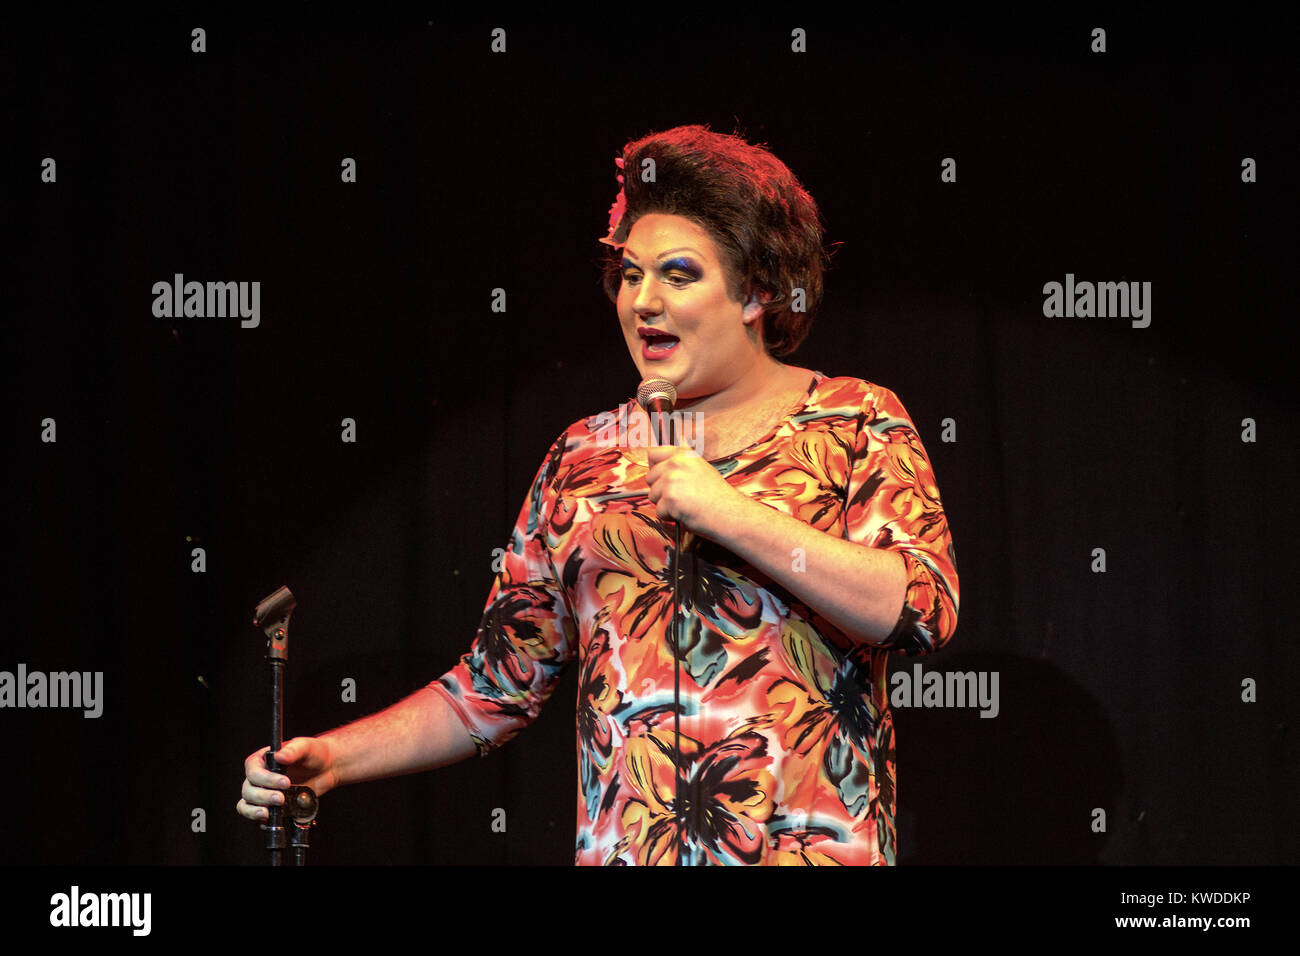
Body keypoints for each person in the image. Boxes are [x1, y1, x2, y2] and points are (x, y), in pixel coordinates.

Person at [238, 124, 959, 865]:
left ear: (758, 290)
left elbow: (920, 609)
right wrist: (335, 758)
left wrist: (730, 515)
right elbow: (496, 684)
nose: (642, 300)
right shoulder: (582, 456)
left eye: (678, 275)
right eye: (630, 273)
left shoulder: (853, 418)